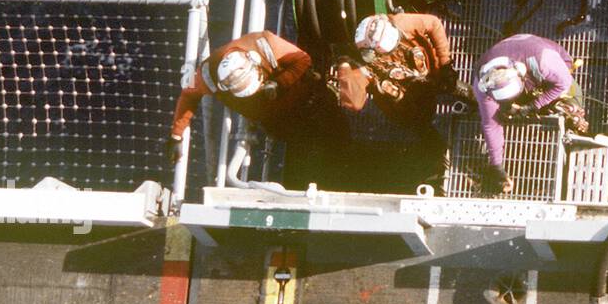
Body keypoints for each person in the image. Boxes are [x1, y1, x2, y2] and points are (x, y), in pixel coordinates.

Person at [335, 13, 470, 186]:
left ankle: (474, 99)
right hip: (406, 105)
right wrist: (344, 67)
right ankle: (438, 157)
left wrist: (445, 64)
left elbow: (434, 23)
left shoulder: (400, 24)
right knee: (422, 126)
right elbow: (353, 103)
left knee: (454, 86)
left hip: (432, 75)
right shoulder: (362, 66)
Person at [166, 30, 337, 163]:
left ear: (254, 64)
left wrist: (279, 83)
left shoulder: (266, 43)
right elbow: (188, 96)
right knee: (304, 149)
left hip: (305, 97)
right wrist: (176, 136)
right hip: (277, 121)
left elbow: (303, 60)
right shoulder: (206, 75)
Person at [473, 32, 590, 195]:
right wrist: (497, 166)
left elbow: (563, 83)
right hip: (520, 72)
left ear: (520, 75)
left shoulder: (543, 60)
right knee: (500, 114)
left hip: (551, 70)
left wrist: (533, 106)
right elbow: (491, 125)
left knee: (573, 108)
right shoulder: (483, 86)